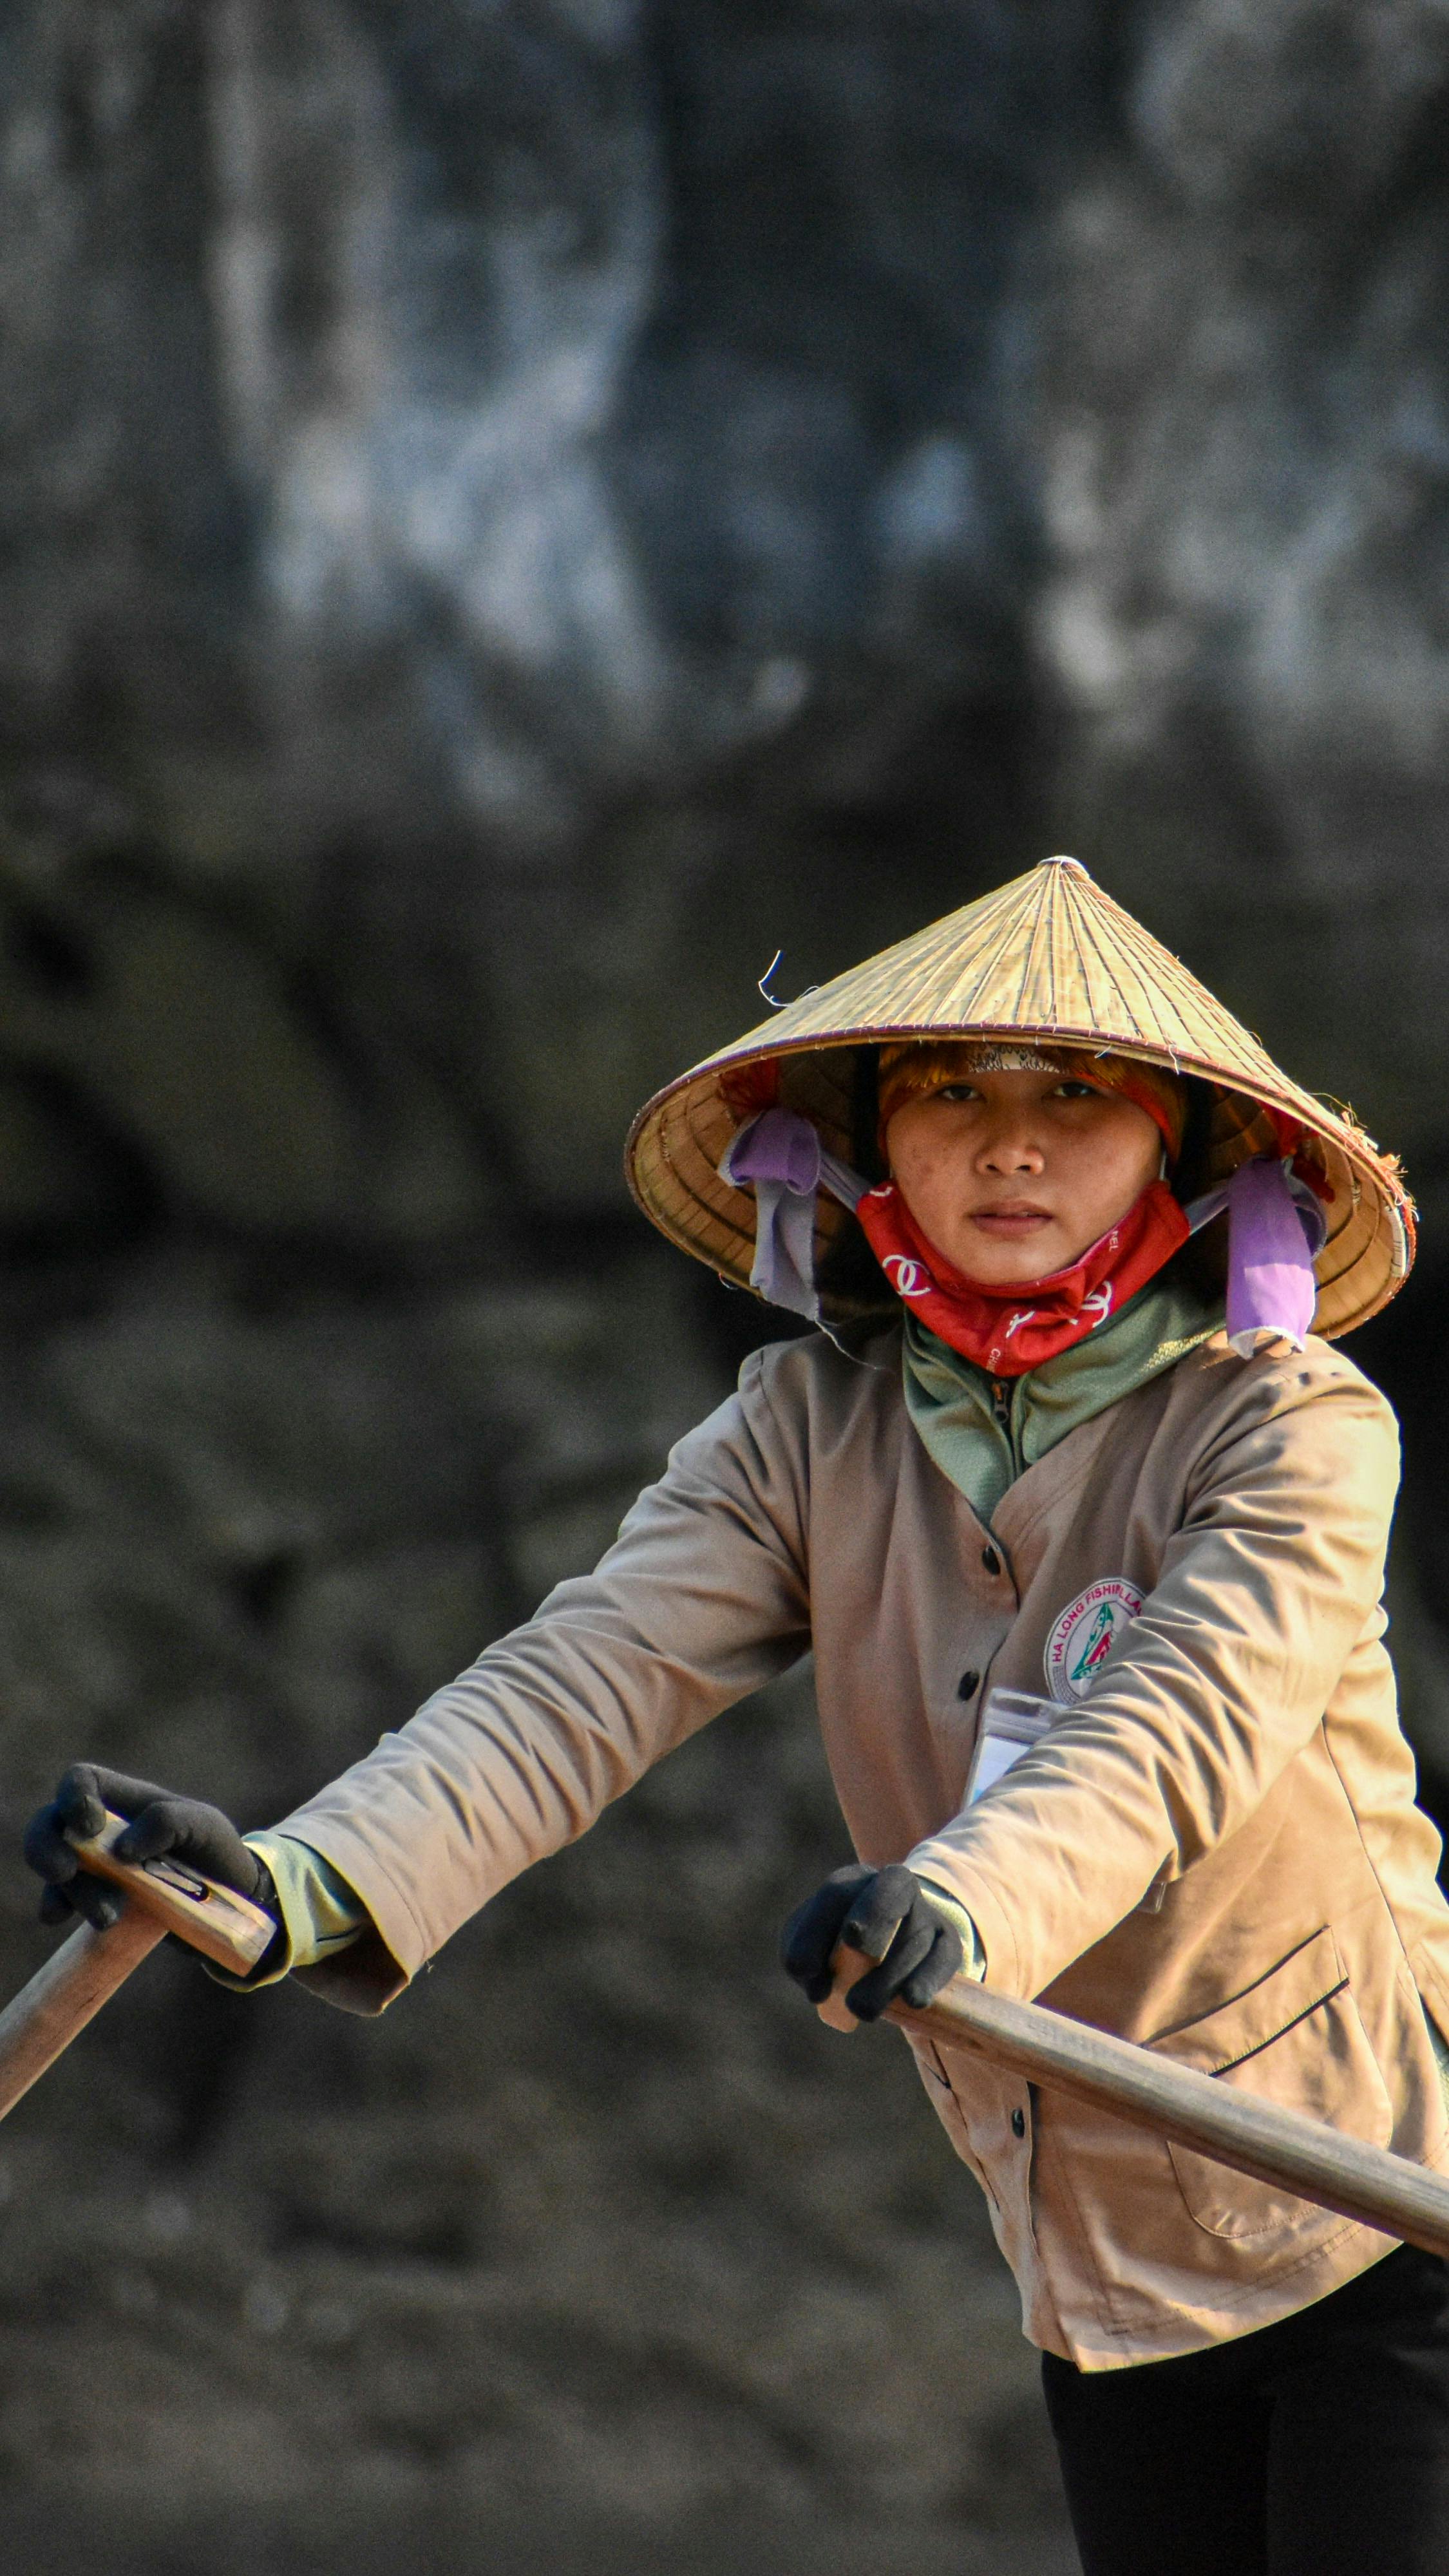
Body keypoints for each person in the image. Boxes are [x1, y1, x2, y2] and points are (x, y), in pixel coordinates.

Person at [24, 855, 1449, 2575]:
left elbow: (1177, 1723)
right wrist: (287, 1880)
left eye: (1074, 1095)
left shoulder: (1289, 1422)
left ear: (1182, 1149)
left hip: (1377, 2222)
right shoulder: (805, 1422)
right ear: (865, 1148)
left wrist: (959, 1904)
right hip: (1091, 2264)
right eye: (948, 1094)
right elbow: (580, 1683)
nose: (1008, 1145)